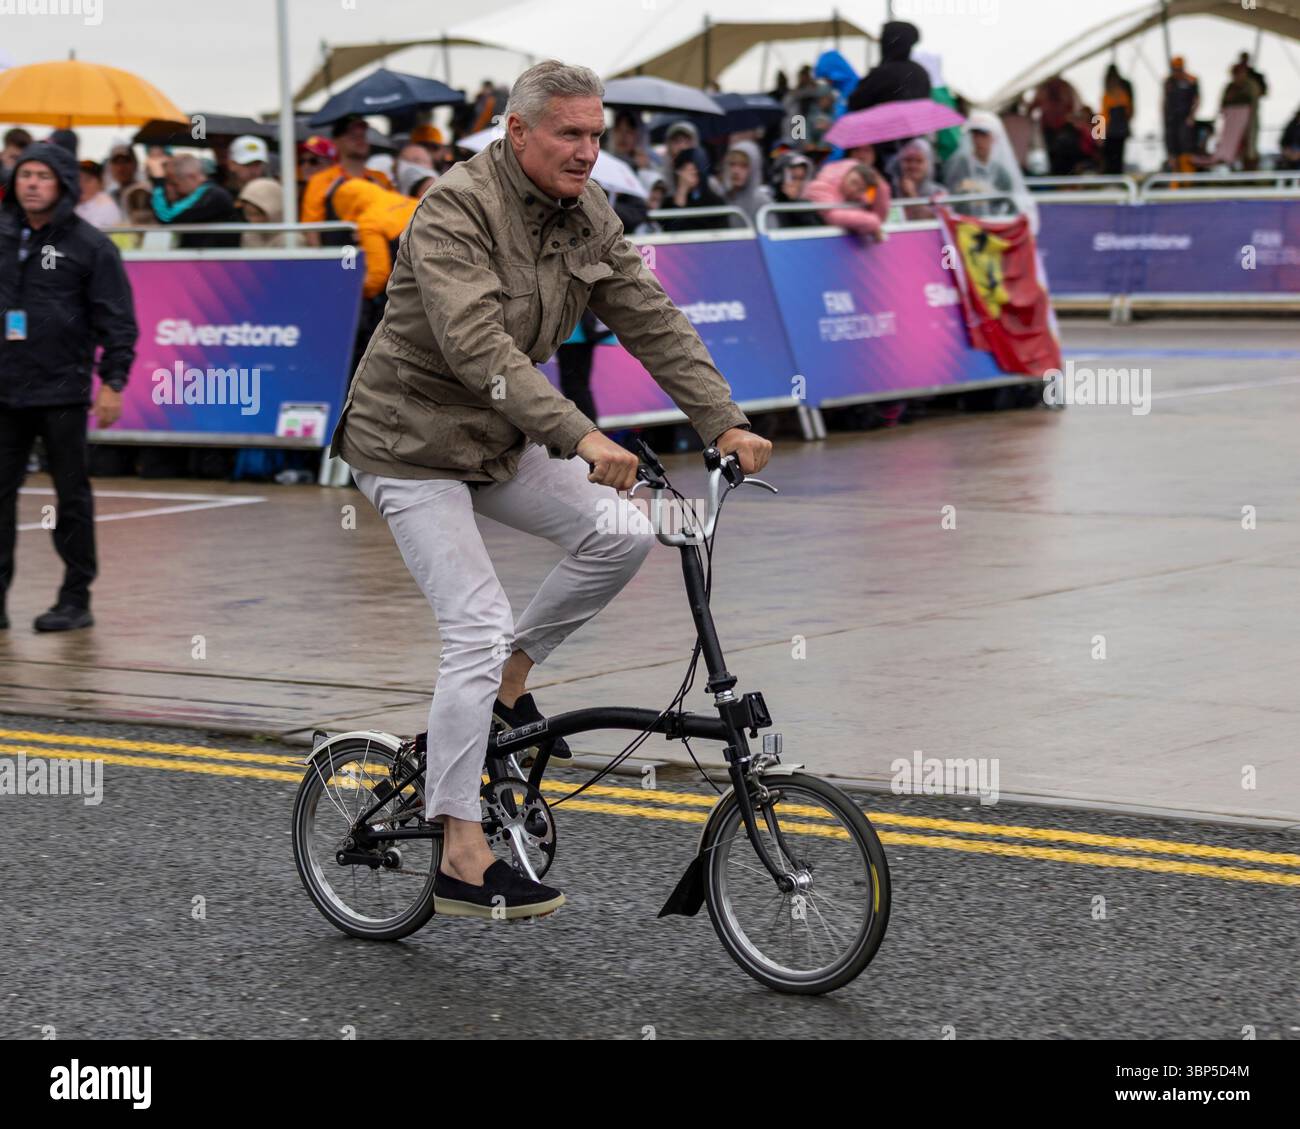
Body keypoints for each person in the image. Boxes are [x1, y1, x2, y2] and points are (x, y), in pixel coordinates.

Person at [328, 60, 770, 920]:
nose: (588, 151)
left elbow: (649, 315)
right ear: (517, 131)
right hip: (407, 441)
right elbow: (477, 349)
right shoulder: (456, 207)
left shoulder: (586, 211)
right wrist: (580, 433)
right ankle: (460, 846)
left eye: (597, 134)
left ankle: (509, 680)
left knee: (623, 530)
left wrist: (724, 420)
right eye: (570, 133)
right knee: (475, 620)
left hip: (495, 438)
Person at [0, 141, 138, 632]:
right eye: (24, 174)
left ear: (61, 184)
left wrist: (113, 382)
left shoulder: (90, 246)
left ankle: (75, 598)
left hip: (62, 390)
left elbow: (118, 322)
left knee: (71, 495)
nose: (31, 183)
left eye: (42, 175)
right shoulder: (3, 233)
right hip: (5, 390)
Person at [300, 114, 393, 228]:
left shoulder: (380, 178)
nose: (359, 139)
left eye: (362, 135)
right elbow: (311, 227)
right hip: (337, 245)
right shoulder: (320, 180)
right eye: (352, 136)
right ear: (336, 142)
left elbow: (396, 214)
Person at [149, 153, 240, 248]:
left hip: (216, 261)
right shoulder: (210, 193)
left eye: (176, 184)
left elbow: (167, 217)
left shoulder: (212, 195)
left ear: (192, 177)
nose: (176, 190)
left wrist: (158, 183)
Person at [805, 144, 891, 238]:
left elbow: (879, 216)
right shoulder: (822, 186)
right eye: (854, 183)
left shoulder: (860, 194)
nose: (854, 190)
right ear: (845, 174)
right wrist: (873, 223)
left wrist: (881, 186)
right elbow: (832, 216)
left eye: (860, 189)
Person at [847, 21, 930, 112]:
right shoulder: (920, 72)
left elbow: (856, 102)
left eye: (883, 37)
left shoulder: (883, 73)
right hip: (917, 125)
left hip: (882, 125)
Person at [658, 146, 727, 231]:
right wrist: (682, 191)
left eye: (694, 170)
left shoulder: (716, 203)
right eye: (683, 170)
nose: (688, 175)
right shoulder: (668, 204)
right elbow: (670, 233)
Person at [1032, 74, 1082, 176]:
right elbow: (1075, 107)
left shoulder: (1045, 88)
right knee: (1057, 158)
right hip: (1053, 127)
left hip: (1059, 127)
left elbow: (1032, 106)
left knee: (1059, 157)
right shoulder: (1064, 87)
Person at [1220, 61, 1264, 171]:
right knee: (1232, 148)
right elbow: (1223, 104)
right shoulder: (1230, 87)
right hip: (1233, 124)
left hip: (1249, 121)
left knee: (1250, 148)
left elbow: (1254, 104)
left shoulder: (1251, 85)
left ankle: (1250, 174)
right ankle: (1234, 172)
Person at [886, 138, 942, 219]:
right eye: (908, 160)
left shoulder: (938, 192)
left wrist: (912, 195)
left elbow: (932, 221)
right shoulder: (889, 190)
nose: (913, 166)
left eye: (919, 161)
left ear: (928, 164)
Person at [720, 139, 772, 226]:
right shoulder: (722, 198)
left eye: (743, 165)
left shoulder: (763, 202)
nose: (736, 171)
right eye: (732, 164)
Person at [1163, 57, 1200, 173]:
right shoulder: (1169, 82)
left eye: (1178, 69)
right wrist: (1164, 118)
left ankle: (1187, 177)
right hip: (1171, 119)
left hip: (1184, 119)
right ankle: (1175, 177)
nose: (1176, 72)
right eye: (1174, 69)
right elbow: (1165, 101)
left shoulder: (1191, 80)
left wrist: (1191, 116)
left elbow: (1197, 99)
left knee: (1185, 147)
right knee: (1172, 148)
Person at [1100, 64, 1135, 175]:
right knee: (1118, 159)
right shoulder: (1124, 91)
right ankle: (1117, 180)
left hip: (1111, 131)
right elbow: (1129, 112)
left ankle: (1111, 180)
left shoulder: (1108, 93)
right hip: (1120, 130)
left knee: (1110, 160)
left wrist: (1099, 134)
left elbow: (1103, 114)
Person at [769, 153, 819, 228]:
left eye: (801, 179)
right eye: (794, 178)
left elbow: (815, 229)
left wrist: (796, 202)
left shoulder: (811, 203)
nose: (797, 184)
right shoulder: (769, 202)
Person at [236, 177, 286, 248]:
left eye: (257, 214)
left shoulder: (291, 240)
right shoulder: (249, 235)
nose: (252, 220)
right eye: (248, 214)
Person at [75, 160, 122, 229]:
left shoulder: (105, 206)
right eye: (78, 180)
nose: (81, 184)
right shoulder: (75, 204)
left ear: (101, 182)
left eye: (87, 179)